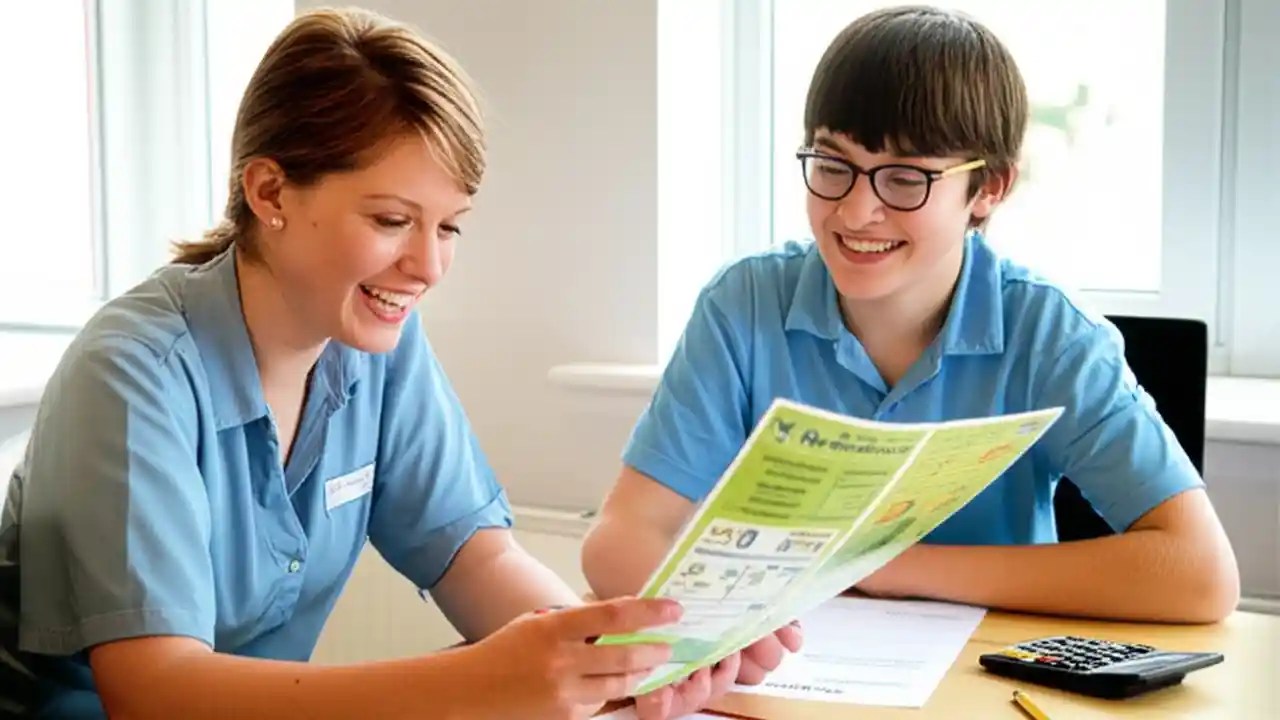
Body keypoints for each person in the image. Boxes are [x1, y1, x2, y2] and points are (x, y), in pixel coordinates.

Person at [0, 8, 724, 719]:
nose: (429, 265)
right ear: (269, 192)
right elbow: (153, 692)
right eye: (391, 220)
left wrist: (618, 658)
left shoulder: (377, 342)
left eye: (449, 227)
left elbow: (478, 561)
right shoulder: (133, 373)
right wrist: (478, 683)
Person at [582, 5, 1240, 626]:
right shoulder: (744, 306)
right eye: (833, 164)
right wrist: (740, 628)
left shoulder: (1054, 336)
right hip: (786, 662)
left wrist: (888, 568)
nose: (855, 211)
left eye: (905, 178)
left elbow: (1199, 574)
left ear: (988, 189)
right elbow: (619, 541)